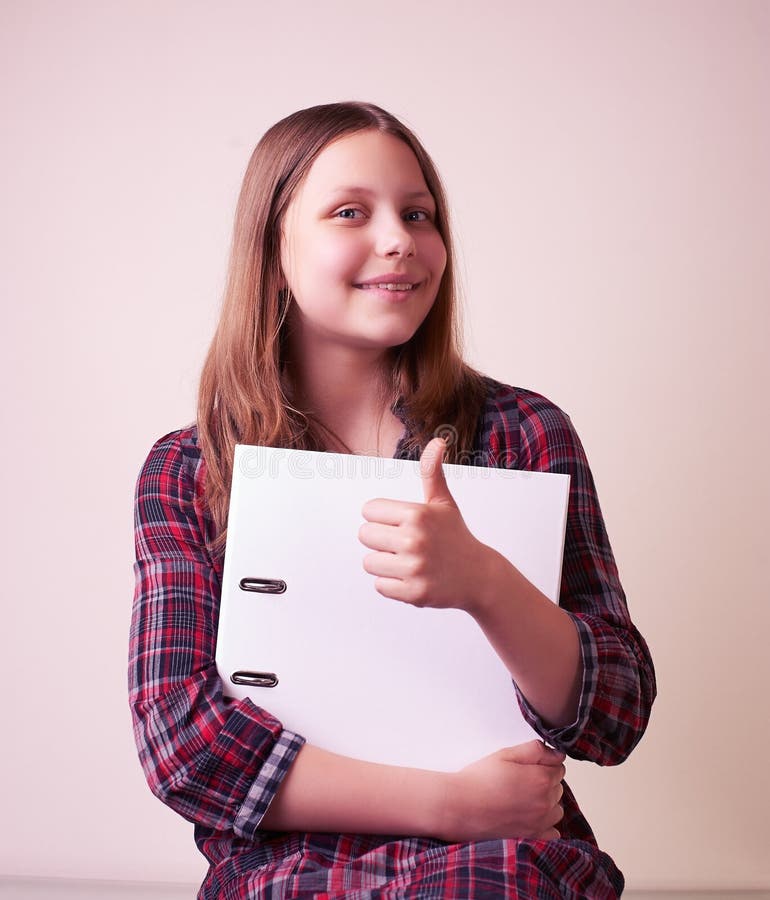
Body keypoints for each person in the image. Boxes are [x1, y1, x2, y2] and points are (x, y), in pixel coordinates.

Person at [129, 101, 656, 899]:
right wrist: (452, 804)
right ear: (273, 251)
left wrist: (486, 584)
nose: (400, 239)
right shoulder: (187, 469)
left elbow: (616, 712)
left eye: (419, 214)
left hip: (508, 868)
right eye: (351, 212)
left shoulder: (525, 433)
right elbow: (185, 747)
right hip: (286, 874)